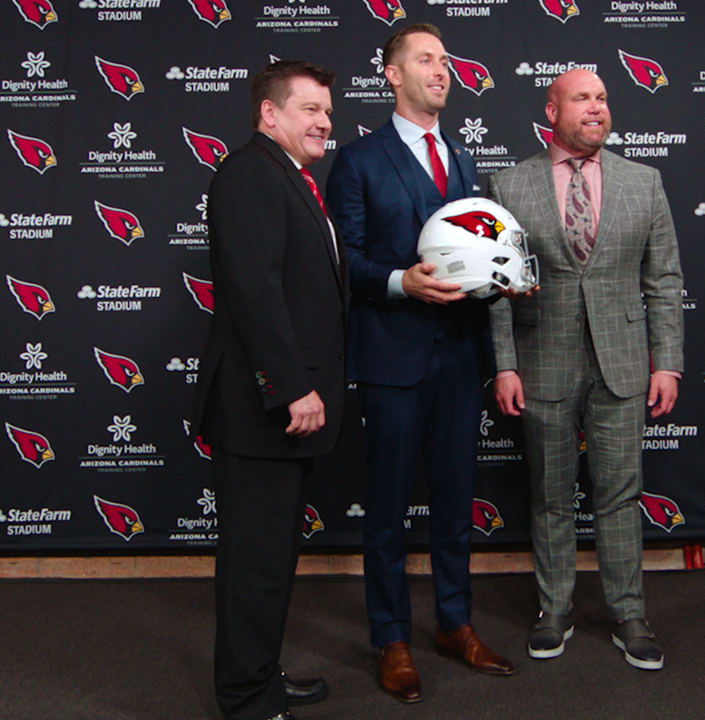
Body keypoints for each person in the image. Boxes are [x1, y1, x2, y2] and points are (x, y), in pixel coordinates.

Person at [325, 22, 514, 704]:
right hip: (393, 356)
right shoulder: (358, 160)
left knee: (457, 504)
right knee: (387, 508)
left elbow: (479, 254)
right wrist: (404, 282)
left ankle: (454, 625)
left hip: (459, 357)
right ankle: (392, 637)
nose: (443, 71)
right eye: (427, 60)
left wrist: (507, 276)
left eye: (446, 61)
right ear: (392, 75)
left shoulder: (462, 159)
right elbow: (343, 262)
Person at [488, 69, 684, 671]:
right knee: (550, 494)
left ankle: (629, 613)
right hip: (541, 361)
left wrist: (668, 364)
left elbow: (665, 280)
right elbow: (496, 285)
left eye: (602, 97)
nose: (597, 107)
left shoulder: (644, 182)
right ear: (553, 110)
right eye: (582, 98)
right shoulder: (509, 184)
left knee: (620, 494)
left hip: (623, 363)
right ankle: (555, 609)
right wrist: (504, 366)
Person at [191, 60, 348, 720]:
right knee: (255, 565)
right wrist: (291, 388)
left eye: (328, 113)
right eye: (309, 109)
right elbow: (256, 294)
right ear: (269, 114)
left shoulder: (286, 176)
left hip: (281, 413)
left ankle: (260, 677)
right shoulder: (250, 174)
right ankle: (248, 702)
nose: (323, 123)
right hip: (262, 413)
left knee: (273, 560)